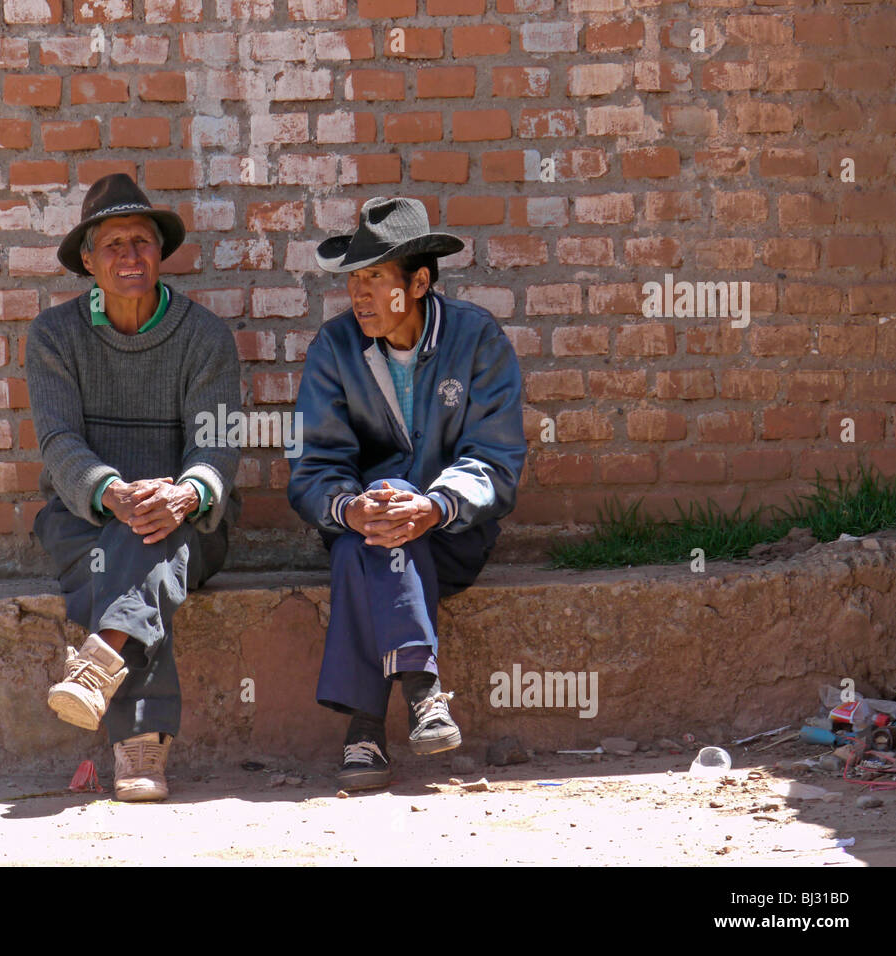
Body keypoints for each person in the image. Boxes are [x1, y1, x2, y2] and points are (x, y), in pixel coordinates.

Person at [287, 196, 527, 791]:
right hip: (364, 533)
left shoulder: (477, 340)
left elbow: (496, 460)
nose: (359, 295)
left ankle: (366, 727)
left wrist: (434, 506)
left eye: (375, 278)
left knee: (377, 523)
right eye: (354, 280)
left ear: (419, 282)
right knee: (364, 532)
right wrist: (351, 506)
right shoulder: (336, 348)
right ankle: (423, 696)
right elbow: (314, 467)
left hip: (453, 535)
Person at [26, 173, 241, 802]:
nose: (130, 255)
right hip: (83, 519)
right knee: (133, 540)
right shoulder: (54, 337)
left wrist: (183, 494)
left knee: (147, 538)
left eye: (142, 241)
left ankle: (100, 663)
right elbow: (59, 443)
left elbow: (218, 447)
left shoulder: (204, 339)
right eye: (113, 244)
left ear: (161, 253)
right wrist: (113, 492)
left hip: (189, 523)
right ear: (87, 261)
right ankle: (142, 745)